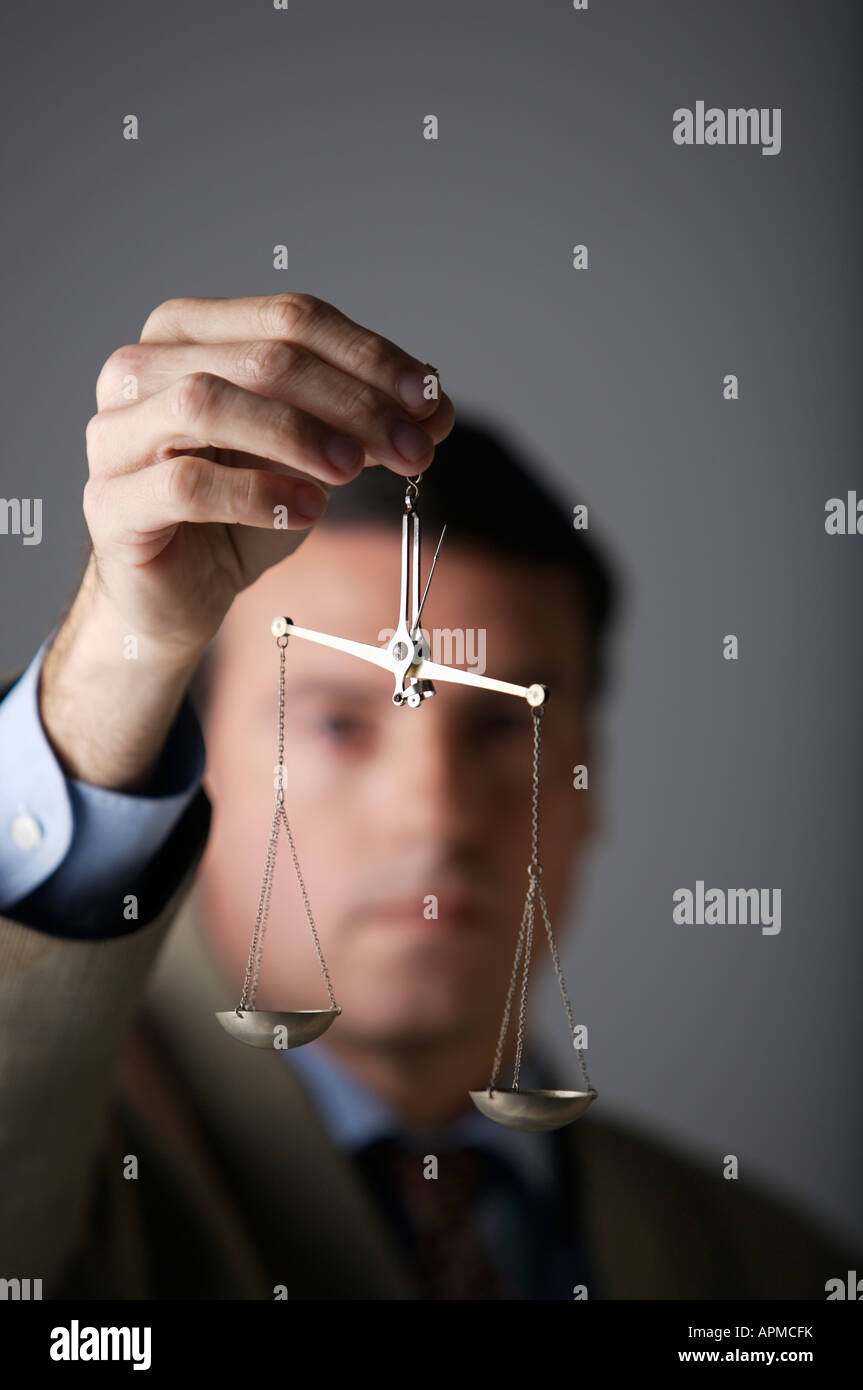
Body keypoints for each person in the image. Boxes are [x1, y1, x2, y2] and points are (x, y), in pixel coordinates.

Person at [0, 294, 855, 1300]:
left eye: (503, 724)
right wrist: (119, 656)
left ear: (587, 785)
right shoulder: (75, 1162)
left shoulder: (771, 1268)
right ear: (198, 754)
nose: (434, 815)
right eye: (333, 722)